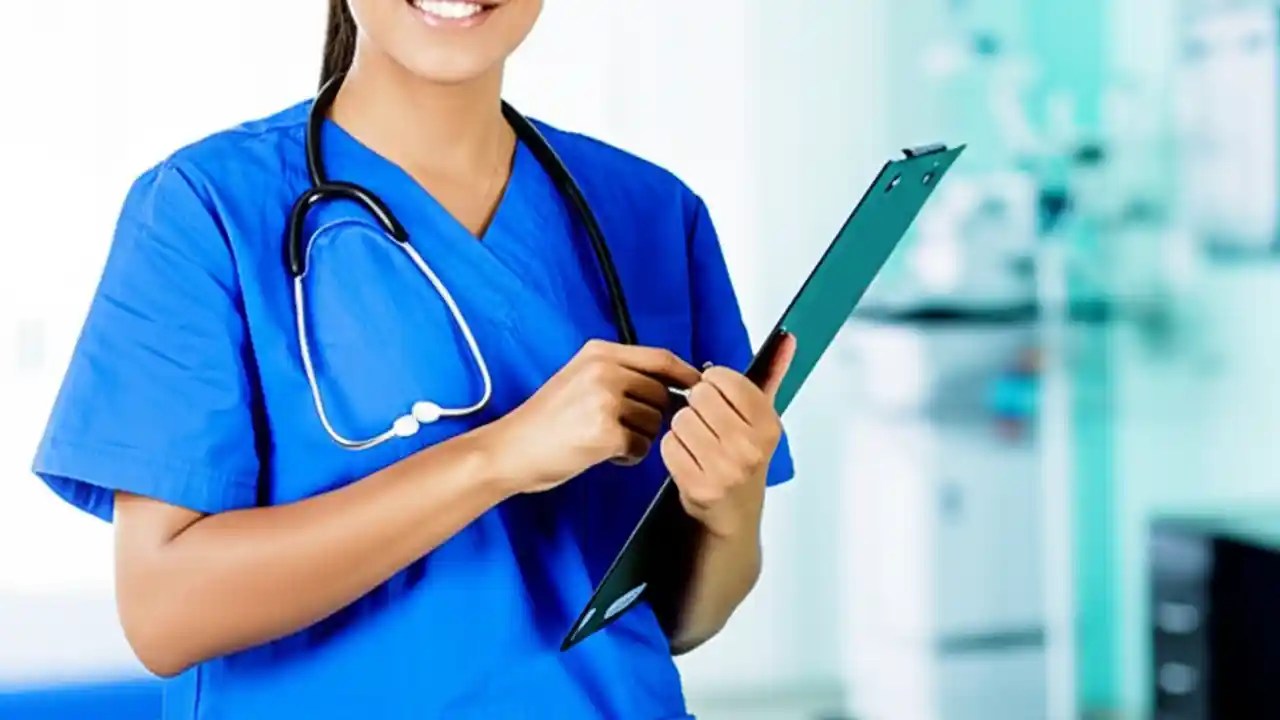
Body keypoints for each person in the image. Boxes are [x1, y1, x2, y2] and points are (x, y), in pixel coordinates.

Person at [31, 0, 796, 717]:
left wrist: (728, 507)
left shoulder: (651, 212)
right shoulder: (204, 210)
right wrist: (498, 457)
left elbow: (679, 619)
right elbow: (165, 613)